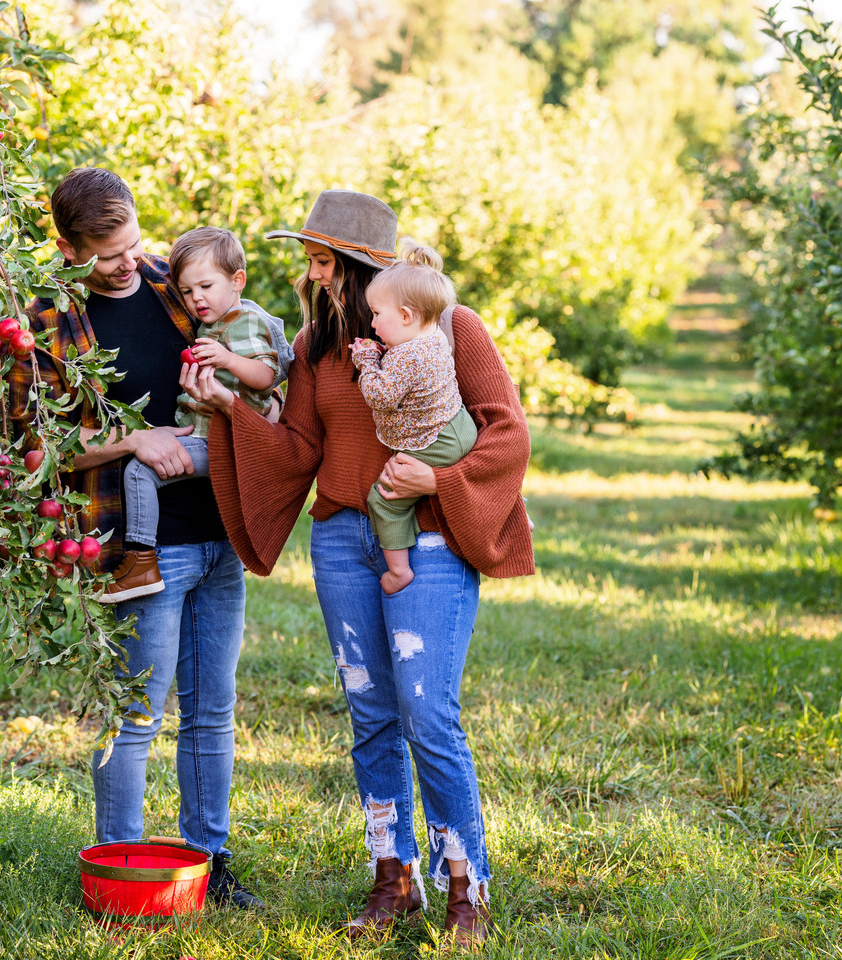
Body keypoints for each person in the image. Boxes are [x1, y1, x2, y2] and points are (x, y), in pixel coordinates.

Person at [181, 189, 534, 949]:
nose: (310, 276)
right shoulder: (314, 347)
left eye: (321, 262)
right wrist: (228, 411)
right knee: (371, 718)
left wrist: (438, 481)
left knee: (427, 716)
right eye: (309, 261)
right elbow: (302, 449)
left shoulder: (448, 326)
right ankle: (392, 877)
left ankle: (466, 886)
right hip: (344, 540)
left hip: (430, 541)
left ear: (363, 267)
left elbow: (506, 433)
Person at [6, 167, 261, 908]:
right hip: (135, 548)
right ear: (66, 246)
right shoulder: (43, 320)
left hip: (216, 533)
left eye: (133, 244)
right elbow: (31, 450)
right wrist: (131, 439)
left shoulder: (172, 285)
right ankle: (118, 868)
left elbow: (246, 351)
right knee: (136, 713)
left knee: (212, 709)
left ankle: (208, 862)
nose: (129, 263)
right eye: (108, 254)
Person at [104, 226, 285, 604]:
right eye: (186, 292)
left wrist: (227, 359)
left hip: (217, 439)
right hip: (201, 433)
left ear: (238, 281)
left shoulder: (245, 322)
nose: (196, 298)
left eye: (205, 287)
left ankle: (139, 561)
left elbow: (267, 376)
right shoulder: (211, 323)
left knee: (140, 471)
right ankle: (143, 560)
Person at [350, 239, 476, 596]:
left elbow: (382, 397)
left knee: (384, 498)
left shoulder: (405, 356)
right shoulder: (432, 337)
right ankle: (516, 511)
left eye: (376, 314)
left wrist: (366, 361)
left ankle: (399, 571)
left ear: (406, 316)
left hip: (433, 441)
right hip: (459, 425)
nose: (372, 323)